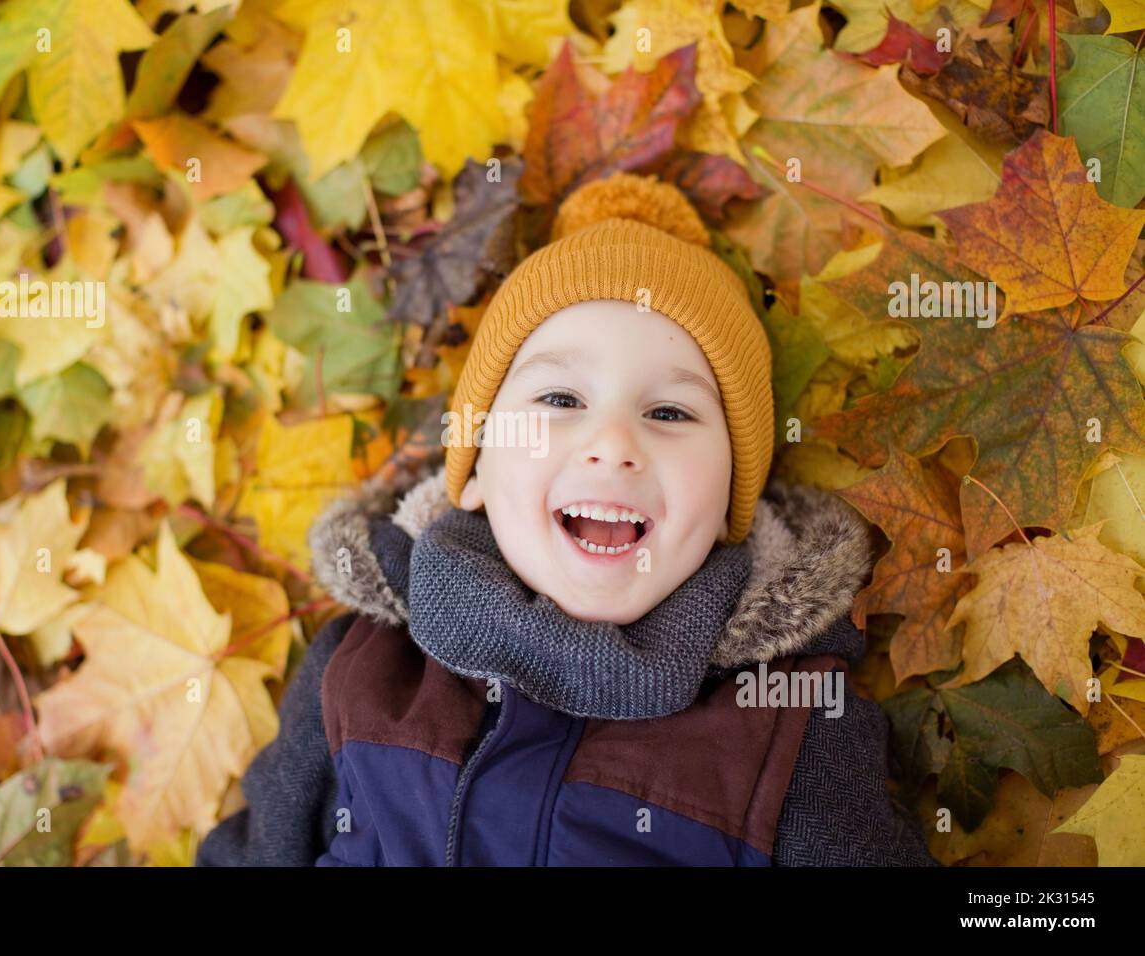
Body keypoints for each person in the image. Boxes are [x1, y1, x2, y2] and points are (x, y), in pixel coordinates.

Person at [196, 172, 938, 866]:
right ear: (478, 467)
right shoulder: (361, 671)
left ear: (728, 508)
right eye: (559, 401)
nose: (614, 445)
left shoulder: (788, 733)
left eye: (671, 412)